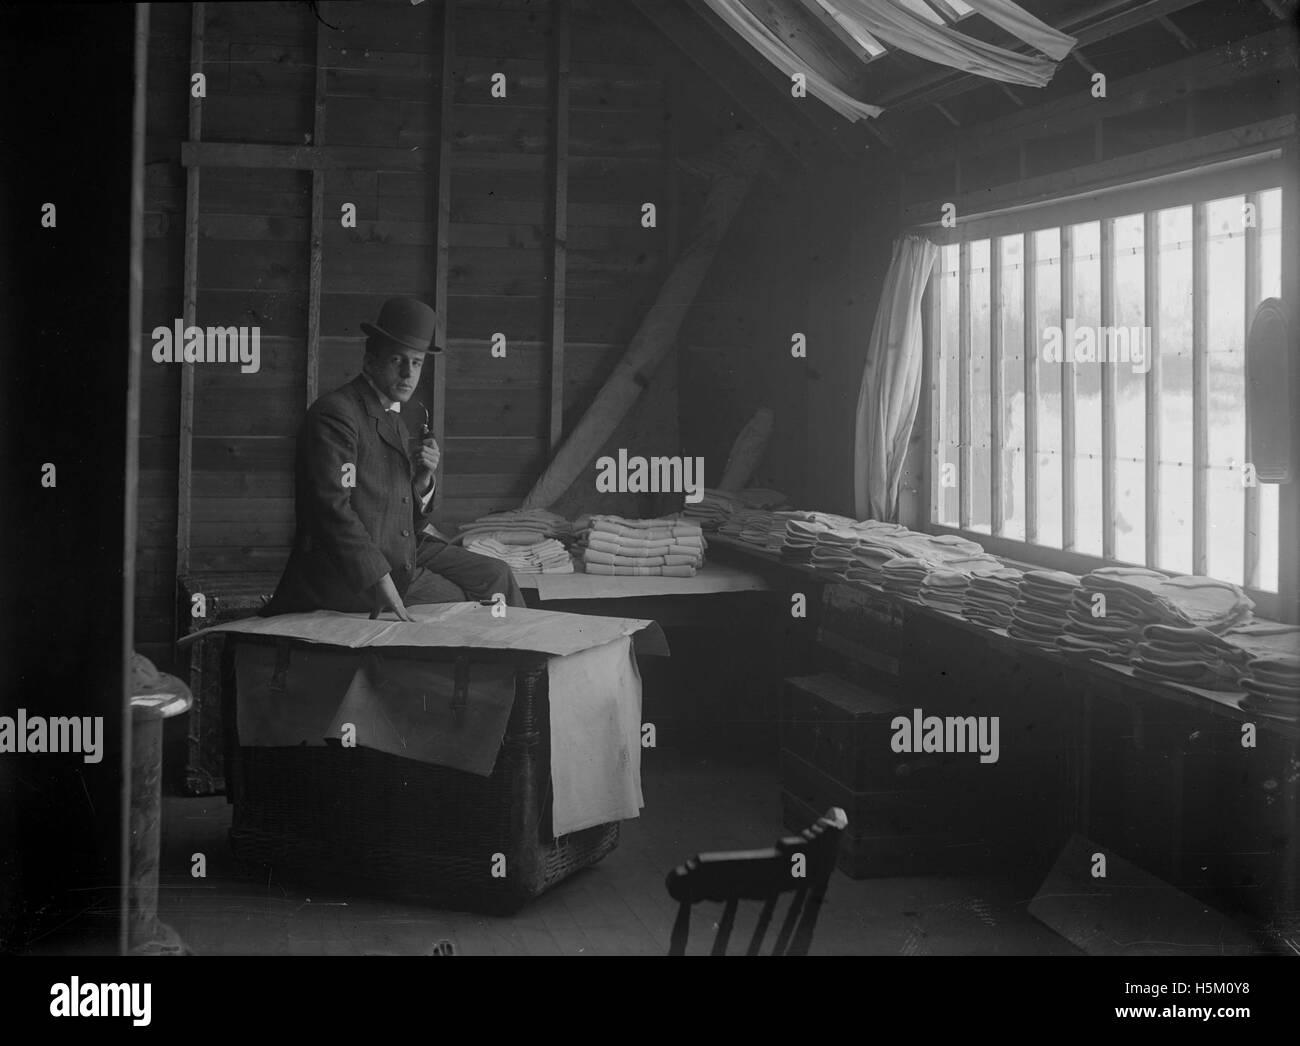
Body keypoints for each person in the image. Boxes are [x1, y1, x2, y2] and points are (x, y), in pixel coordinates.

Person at [263, 297, 525, 619]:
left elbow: (408, 522)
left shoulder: (394, 421)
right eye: (397, 360)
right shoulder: (337, 414)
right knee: (465, 603)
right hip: (353, 570)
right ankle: (509, 668)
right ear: (370, 362)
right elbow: (331, 508)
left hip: (402, 549)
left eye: (416, 363)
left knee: (498, 575)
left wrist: (423, 480)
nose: (407, 374)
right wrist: (378, 577)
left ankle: (527, 669)